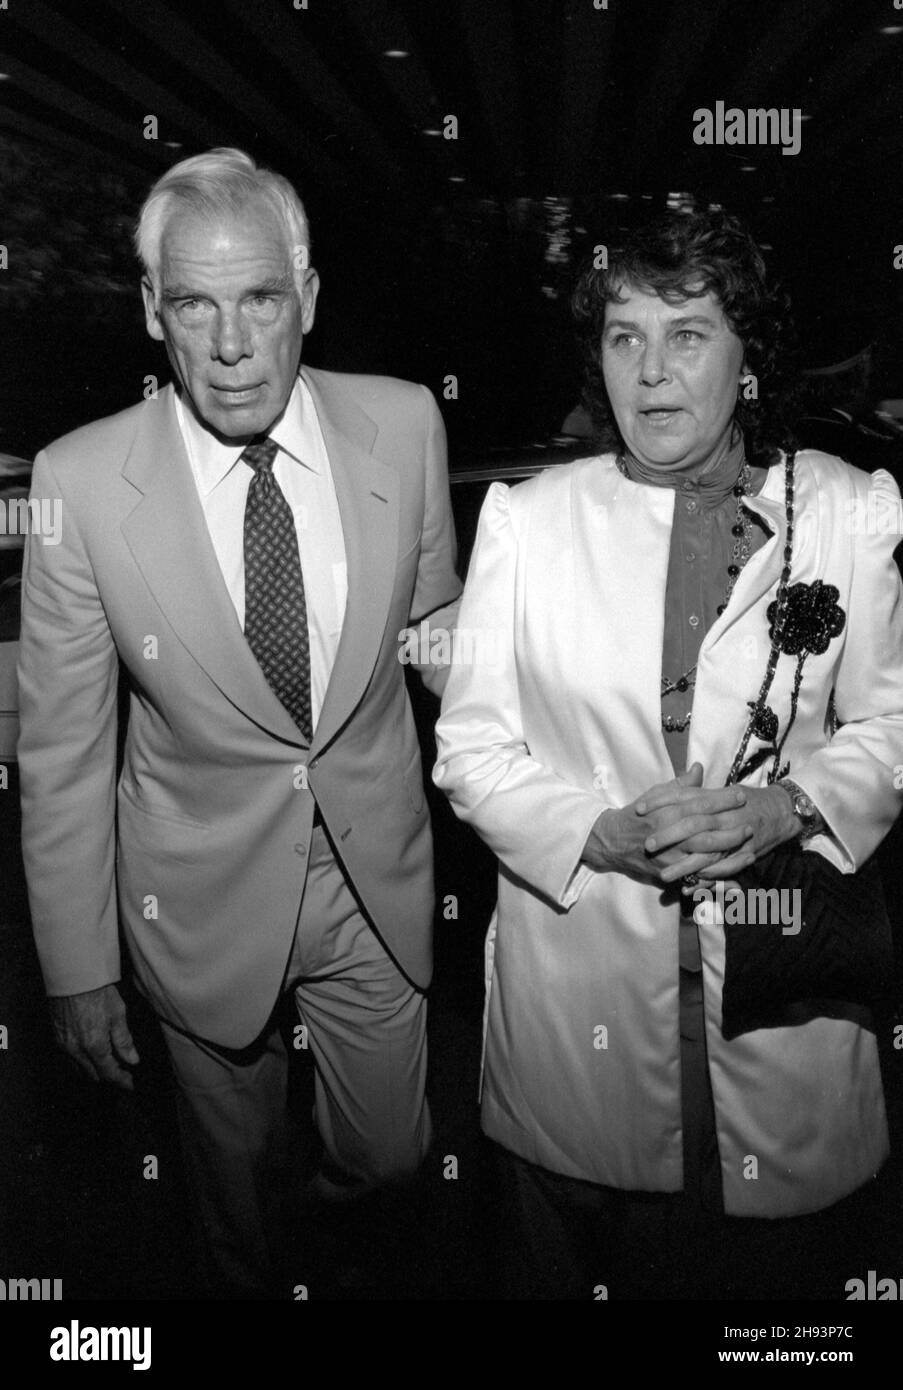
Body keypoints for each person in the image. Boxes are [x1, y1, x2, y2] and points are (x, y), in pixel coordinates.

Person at [433, 209, 903, 1299]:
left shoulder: (844, 510)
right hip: (579, 1005)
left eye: (687, 334)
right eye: (624, 337)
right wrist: (592, 832)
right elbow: (470, 746)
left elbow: (889, 723)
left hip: (785, 1002)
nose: (651, 372)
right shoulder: (528, 521)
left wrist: (791, 807)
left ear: (748, 357)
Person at [17, 147, 461, 1297]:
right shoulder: (79, 481)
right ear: (153, 312)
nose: (230, 345)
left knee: (399, 1164)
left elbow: (436, 635)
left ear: (307, 298)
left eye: (260, 300)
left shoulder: (405, 426)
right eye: (197, 305)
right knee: (236, 1215)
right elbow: (64, 747)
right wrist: (76, 968)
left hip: (374, 881)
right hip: (195, 902)